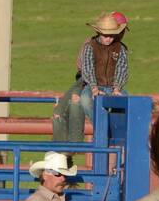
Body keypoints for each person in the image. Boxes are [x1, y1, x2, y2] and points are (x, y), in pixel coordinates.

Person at [53, 11, 129, 144]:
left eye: (112, 36)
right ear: (99, 33)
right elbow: (87, 68)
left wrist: (117, 87)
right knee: (85, 99)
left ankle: (123, 135)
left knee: (129, 101)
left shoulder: (120, 49)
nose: (109, 39)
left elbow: (122, 69)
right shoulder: (90, 47)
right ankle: (101, 128)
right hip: (93, 84)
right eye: (106, 36)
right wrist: (94, 87)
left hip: (112, 85)